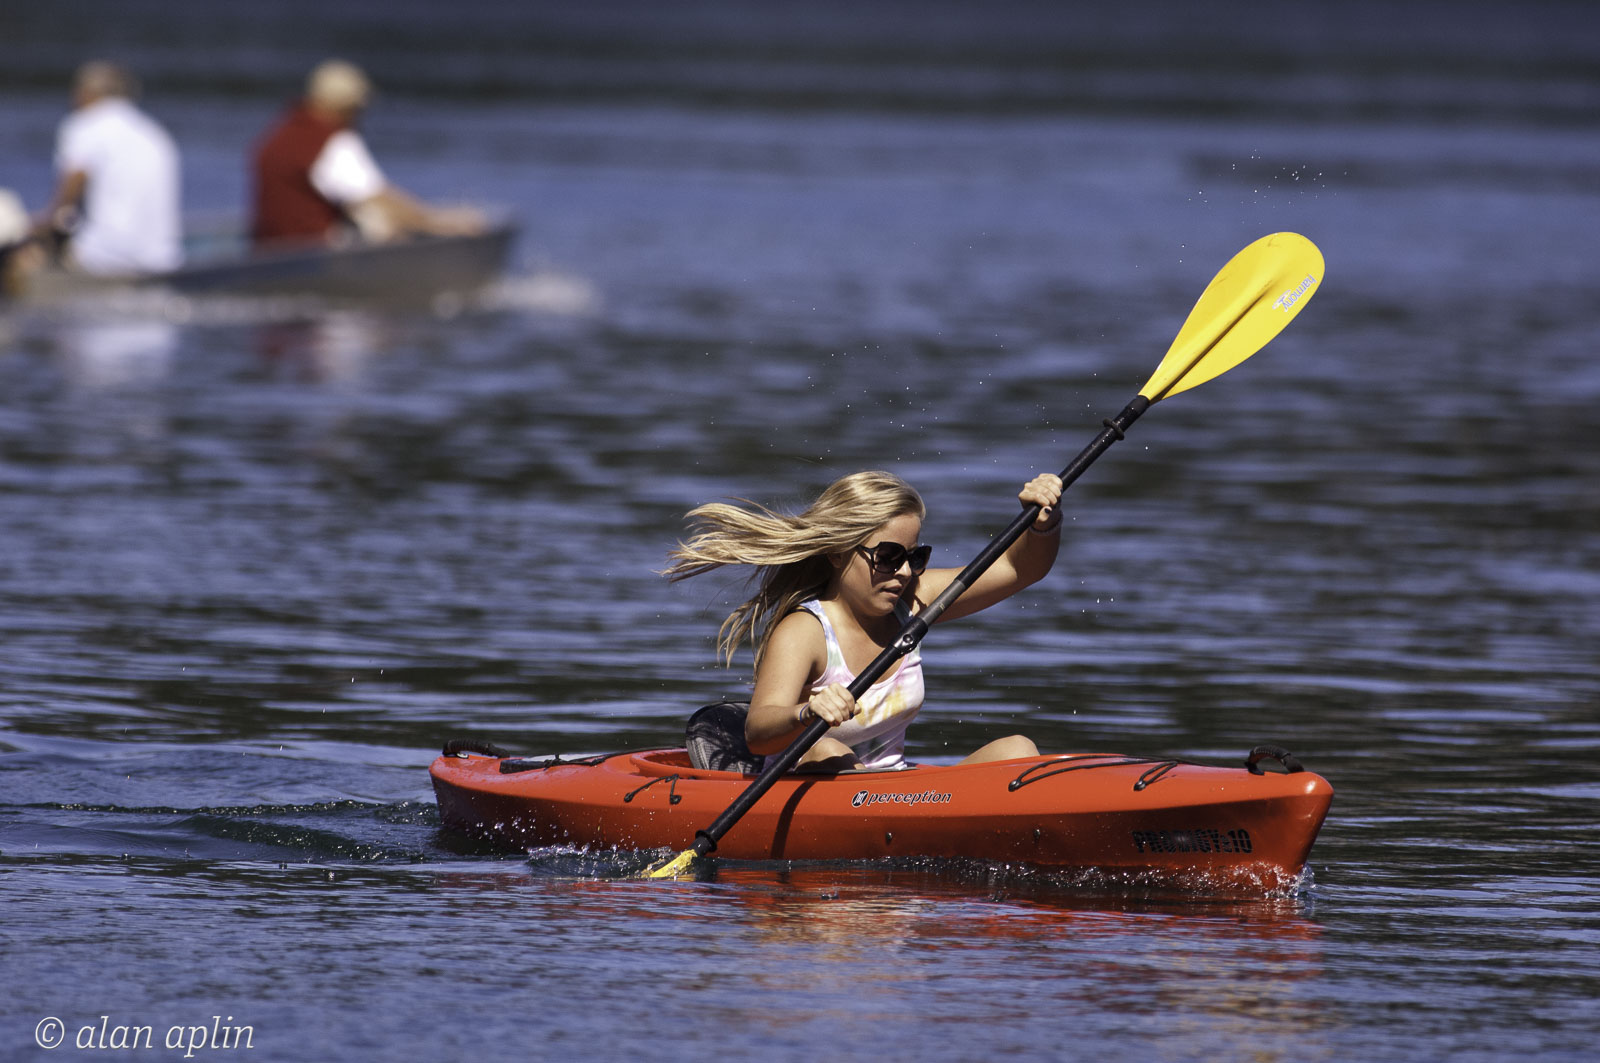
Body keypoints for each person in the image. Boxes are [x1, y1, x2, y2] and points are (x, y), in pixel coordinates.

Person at [665, 469, 1065, 772]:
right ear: (839, 552)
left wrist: (1043, 524)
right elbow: (759, 731)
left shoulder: (912, 603)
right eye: (889, 557)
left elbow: (1019, 568)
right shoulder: (805, 630)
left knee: (1018, 750)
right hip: (817, 790)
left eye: (915, 557)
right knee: (827, 749)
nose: (906, 572)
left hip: (896, 794)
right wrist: (806, 712)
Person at [250, 59, 485, 247]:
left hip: (269, 245)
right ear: (348, 107)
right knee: (388, 224)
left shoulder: (279, 134)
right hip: (313, 249)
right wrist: (436, 223)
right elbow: (377, 198)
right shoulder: (333, 142)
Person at [33, 61, 182, 276]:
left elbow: (65, 203)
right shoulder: (154, 132)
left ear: (88, 93)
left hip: (104, 256)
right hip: (163, 257)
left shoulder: (84, 126)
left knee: (26, 251)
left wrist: (35, 228)